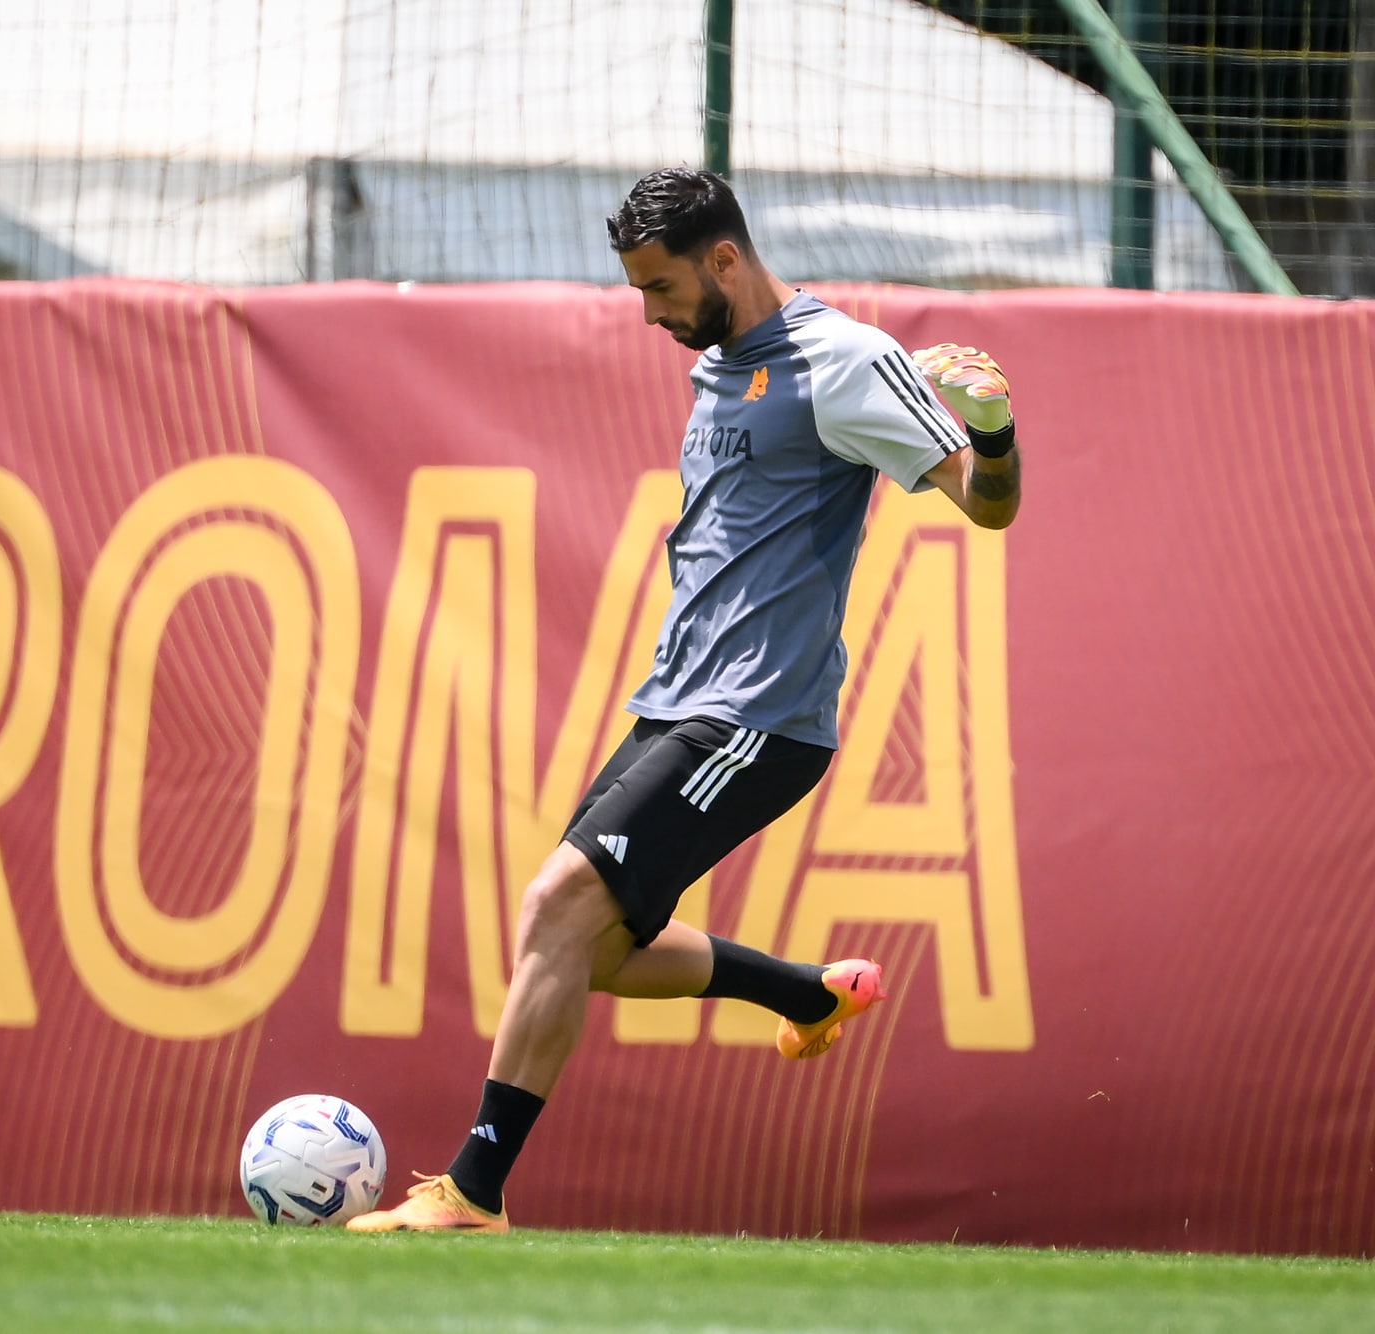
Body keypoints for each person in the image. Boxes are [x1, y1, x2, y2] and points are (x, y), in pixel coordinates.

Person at [346, 167, 1023, 1234]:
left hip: (754, 717)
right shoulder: (718, 364)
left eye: (660, 288)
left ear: (723, 260)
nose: (649, 313)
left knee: (550, 910)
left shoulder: (844, 364)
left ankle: (471, 1191)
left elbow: (985, 510)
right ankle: (808, 994)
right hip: (676, 701)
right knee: (587, 948)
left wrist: (988, 435)